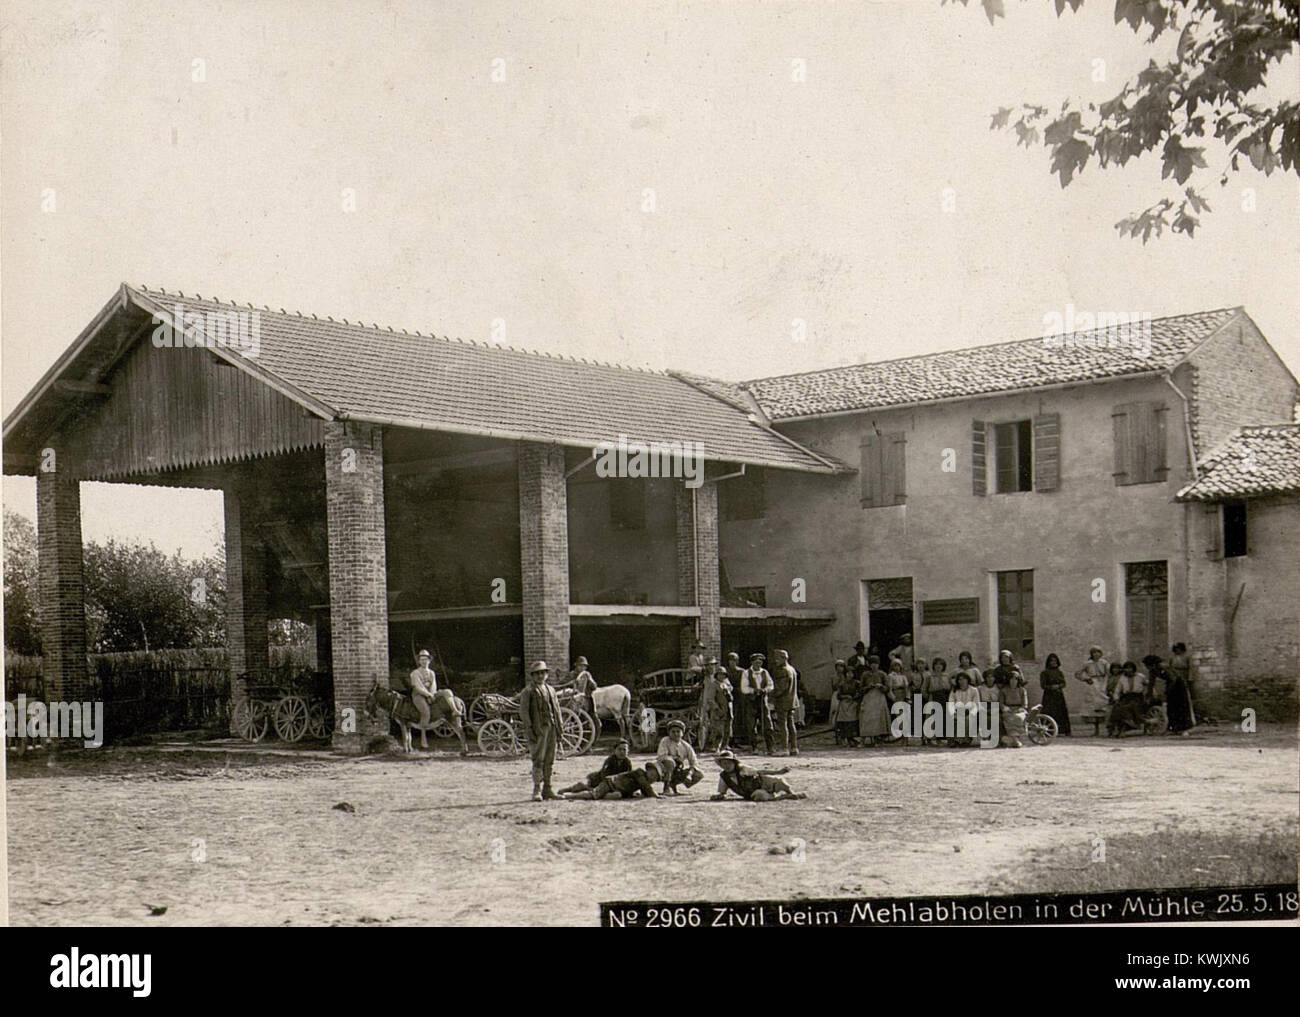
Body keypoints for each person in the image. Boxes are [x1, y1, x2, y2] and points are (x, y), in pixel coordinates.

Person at [518, 660, 565, 800]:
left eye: (543, 673)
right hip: (539, 730)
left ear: (547, 674)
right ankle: (536, 789)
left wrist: (560, 728)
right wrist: (530, 730)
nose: (540, 676)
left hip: (552, 728)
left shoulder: (551, 690)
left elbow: (557, 710)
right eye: (537, 674)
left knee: (550, 759)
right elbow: (524, 713)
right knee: (538, 759)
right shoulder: (528, 691)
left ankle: (548, 788)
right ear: (532, 676)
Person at [710, 750, 806, 801]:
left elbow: (760, 772)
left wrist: (778, 772)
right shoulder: (724, 776)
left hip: (762, 782)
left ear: (734, 763)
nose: (726, 766)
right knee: (760, 796)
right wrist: (718, 796)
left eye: (728, 763)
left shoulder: (742, 769)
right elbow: (722, 792)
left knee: (779, 781)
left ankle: (791, 793)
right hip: (753, 793)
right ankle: (783, 797)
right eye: (724, 763)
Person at [565, 759, 668, 800]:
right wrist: (656, 796)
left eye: (655, 778)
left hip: (618, 789)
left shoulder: (643, 780)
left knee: (615, 796)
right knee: (594, 795)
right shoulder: (640, 773)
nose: (653, 778)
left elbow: (645, 791)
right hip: (611, 783)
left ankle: (584, 787)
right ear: (648, 770)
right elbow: (647, 788)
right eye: (653, 774)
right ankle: (570, 795)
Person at [558, 738, 633, 794]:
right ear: (614, 750)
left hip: (614, 783)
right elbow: (604, 775)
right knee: (582, 787)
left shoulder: (627, 762)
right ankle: (566, 789)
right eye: (619, 749)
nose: (622, 752)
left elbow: (628, 776)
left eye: (624, 750)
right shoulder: (610, 760)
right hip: (597, 780)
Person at [656, 719, 704, 793]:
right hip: (663, 770)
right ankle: (666, 787)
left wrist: (689, 774)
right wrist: (675, 759)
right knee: (669, 762)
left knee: (699, 774)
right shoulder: (665, 741)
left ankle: (673, 784)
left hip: (677, 770)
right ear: (669, 733)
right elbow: (661, 756)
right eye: (673, 731)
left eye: (678, 731)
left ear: (682, 733)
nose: (676, 734)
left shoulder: (686, 746)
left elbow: (694, 762)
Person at [994, 651, 1028, 747]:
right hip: (1007, 705)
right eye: (1003, 657)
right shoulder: (998, 670)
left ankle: (1015, 739)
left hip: (1018, 708)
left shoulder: (1016, 669)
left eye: (1007, 657)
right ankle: (1014, 739)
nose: (1005, 659)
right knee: (1008, 718)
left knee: (1018, 717)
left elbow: (1024, 703)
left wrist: (1021, 707)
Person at [744, 653, 775, 754]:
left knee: (767, 724)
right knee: (751, 725)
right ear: (752, 662)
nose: (758, 664)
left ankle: (770, 747)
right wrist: (753, 691)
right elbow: (743, 688)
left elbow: (771, 685)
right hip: (752, 701)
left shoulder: (765, 673)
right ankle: (754, 747)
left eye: (760, 662)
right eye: (756, 662)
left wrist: (765, 689)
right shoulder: (746, 673)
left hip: (762, 701)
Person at [771, 649, 800, 756]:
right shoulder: (792, 669)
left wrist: (771, 695)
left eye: (777, 659)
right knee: (791, 724)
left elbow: (781, 688)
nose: (775, 661)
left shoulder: (783, 670)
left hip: (783, 701)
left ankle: (784, 748)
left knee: (783, 725)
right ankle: (794, 747)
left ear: (784, 658)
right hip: (792, 701)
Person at [857, 656, 892, 746]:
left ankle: (878, 739)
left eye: (876, 664)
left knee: (878, 718)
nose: (874, 666)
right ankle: (863, 740)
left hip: (879, 698)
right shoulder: (865, 674)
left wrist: (881, 686)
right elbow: (860, 688)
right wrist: (868, 687)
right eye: (872, 663)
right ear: (869, 664)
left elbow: (888, 688)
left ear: (878, 664)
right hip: (868, 698)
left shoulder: (882, 674)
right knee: (866, 717)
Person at [1107, 661, 1146, 737]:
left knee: (1128, 707)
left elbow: (1147, 685)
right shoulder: (1122, 678)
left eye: (1130, 668)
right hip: (1126, 697)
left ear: (1133, 669)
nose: (1128, 670)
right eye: (1126, 668)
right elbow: (1117, 690)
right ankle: (1117, 729)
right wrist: (1116, 698)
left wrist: (1148, 694)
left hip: (1137, 697)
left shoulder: (1140, 676)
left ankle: (1125, 728)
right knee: (1117, 707)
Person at [1074, 646, 1111, 719]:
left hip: (1102, 681)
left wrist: (1107, 681)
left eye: (1098, 652)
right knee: (1092, 699)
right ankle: (1092, 717)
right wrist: (1086, 679)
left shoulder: (1104, 662)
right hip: (1092, 682)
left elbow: (1109, 673)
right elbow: (1077, 674)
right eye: (1094, 652)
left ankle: (1102, 715)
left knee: (1103, 697)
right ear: (1091, 654)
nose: (1096, 654)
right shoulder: (1087, 663)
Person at [1038, 653, 1071, 735]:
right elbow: (1043, 685)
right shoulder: (1044, 673)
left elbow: (1064, 683)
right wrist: (1051, 687)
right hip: (1049, 696)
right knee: (1050, 712)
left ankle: (1063, 730)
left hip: (1059, 695)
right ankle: (1049, 731)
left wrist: (1059, 686)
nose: (1053, 663)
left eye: (1055, 661)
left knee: (1061, 712)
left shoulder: (1059, 672)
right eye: (1051, 661)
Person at [1165, 653, 1197, 736]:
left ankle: (1186, 726)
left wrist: (1189, 679)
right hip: (1173, 682)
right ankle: (1174, 727)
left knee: (1183, 704)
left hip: (1182, 680)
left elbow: (1190, 669)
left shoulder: (1187, 657)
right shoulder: (1172, 658)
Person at [706, 660, 734, 752]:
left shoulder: (726, 684)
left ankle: (725, 746)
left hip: (728, 709)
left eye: (723, 675)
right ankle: (716, 746)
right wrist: (717, 709)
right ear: (716, 675)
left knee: (727, 729)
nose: (721, 676)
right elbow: (710, 699)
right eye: (720, 674)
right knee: (718, 730)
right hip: (719, 711)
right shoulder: (714, 685)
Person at [948, 671, 981, 747]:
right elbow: (951, 703)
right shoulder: (954, 690)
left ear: (967, 680)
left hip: (970, 711)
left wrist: (971, 714)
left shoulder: (974, 690)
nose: (962, 681)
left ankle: (965, 741)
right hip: (958, 711)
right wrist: (953, 713)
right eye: (959, 679)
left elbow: (976, 704)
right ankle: (955, 740)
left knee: (967, 720)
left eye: (964, 679)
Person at [409, 649, 439, 727]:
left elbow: (434, 685)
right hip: (418, 696)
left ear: (429, 661)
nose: (424, 662)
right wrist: (428, 695)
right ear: (419, 661)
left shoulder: (432, 673)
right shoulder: (415, 673)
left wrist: (432, 694)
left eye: (425, 660)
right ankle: (423, 732)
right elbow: (418, 687)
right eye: (422, 660)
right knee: (426, 712)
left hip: (430, 695)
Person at [724, 652, 746, 747]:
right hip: (727, 696)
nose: (732, 662)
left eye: (734, 660)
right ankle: (728, 739)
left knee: (738, 717)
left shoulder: (741, 672)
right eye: (731, 660)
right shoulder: (725, 672)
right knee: (728, 717)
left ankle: (738, 738)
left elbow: (744, 684)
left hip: (739, 696)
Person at [572, 656, 598, 730]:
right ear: (576, 666)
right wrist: (573, 683)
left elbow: (594, 687)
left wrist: (591, 681)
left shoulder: (587, 675)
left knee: (592, 717)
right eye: (580, 666)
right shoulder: (572, 674)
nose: (582, 668)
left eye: (584, 666)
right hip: (575, 700)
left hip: (586, 699)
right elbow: (564, 684)